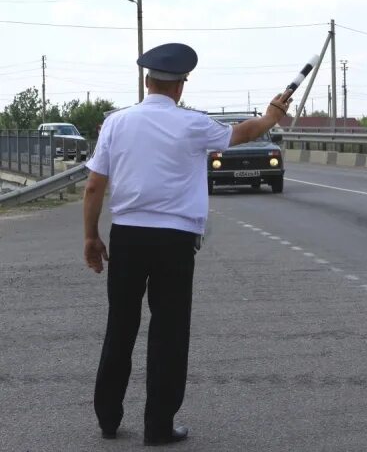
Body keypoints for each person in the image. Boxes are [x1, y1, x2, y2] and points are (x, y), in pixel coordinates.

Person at [83, 42, 291, 445]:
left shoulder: (116, 123)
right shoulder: (192, 124)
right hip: (175, 242)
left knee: (121, 325)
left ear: (147, 82)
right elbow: (242, 133)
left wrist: (91, 236)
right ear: (181, 87)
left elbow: (94, 185)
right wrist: (270, 116)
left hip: (126, 237)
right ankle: (158, 426)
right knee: (169, 331)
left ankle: (108, 418)